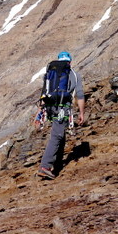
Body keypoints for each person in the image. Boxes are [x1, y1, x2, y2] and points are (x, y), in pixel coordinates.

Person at [37, 51, 85, 179]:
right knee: (57, 135)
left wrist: (39, 113)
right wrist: (81, 112)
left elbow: (44, 92)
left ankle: (57, 165)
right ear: (70, 61)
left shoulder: (50, 74)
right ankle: (45, 166)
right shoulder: (74, 75)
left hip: (49, 107)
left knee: (59, 133)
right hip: (62, 108)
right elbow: (79, 94)